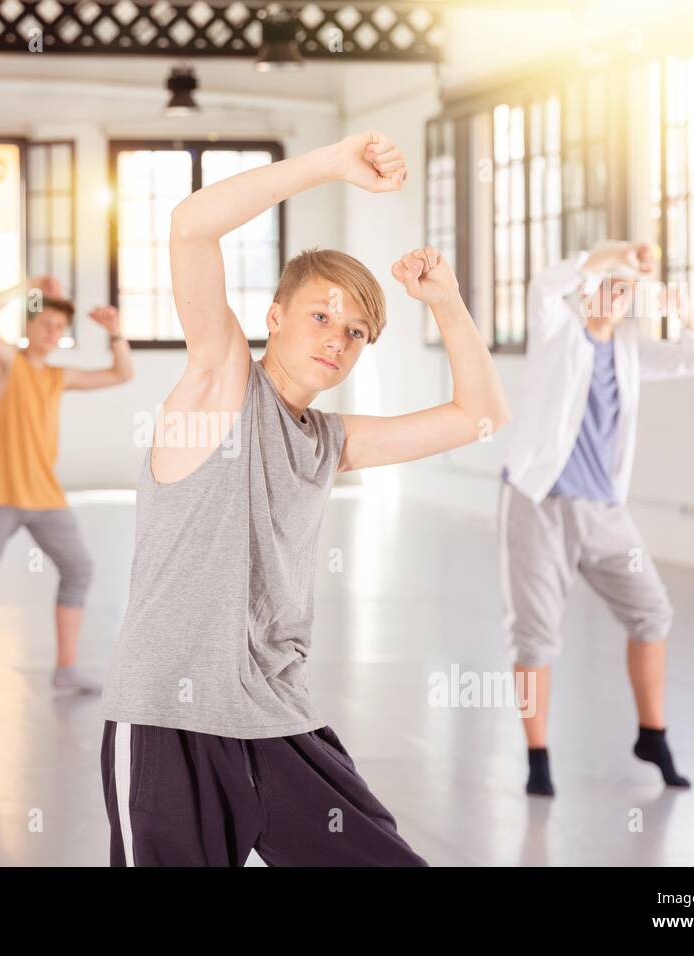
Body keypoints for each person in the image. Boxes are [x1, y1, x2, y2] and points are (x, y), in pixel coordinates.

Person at [98, 131, 511, 866]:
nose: (338, 340)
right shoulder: (219, 386)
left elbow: (479, 415)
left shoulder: (327, 441)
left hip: (280, 725)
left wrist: (446, 301)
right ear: (275, 318)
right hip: (170, 722)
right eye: (321, 316)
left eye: (356, 332)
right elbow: (191, 225)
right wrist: (329, 165)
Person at [498, 240, 694, 797]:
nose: (614, 299)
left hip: (604, 512)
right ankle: (538, 757)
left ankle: (653, 734)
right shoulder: (556, 332)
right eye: (606, 287)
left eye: (624, 292)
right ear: (588, 290)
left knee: (652, 612)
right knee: (536, 638)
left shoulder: (629, 350)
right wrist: (613, 253)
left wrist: (679, 305)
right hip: (538, 504)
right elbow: (543, 284)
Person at [0, 277, 134, 701]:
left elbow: (122, 373)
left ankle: (66, 669)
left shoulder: (59, 377)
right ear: (29, 326)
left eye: (60, 327)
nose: (52, 332)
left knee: (79, 568)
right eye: (45, 323)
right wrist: (26, 288)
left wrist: (114, 331)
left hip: (46, 497)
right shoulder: (7, 363)